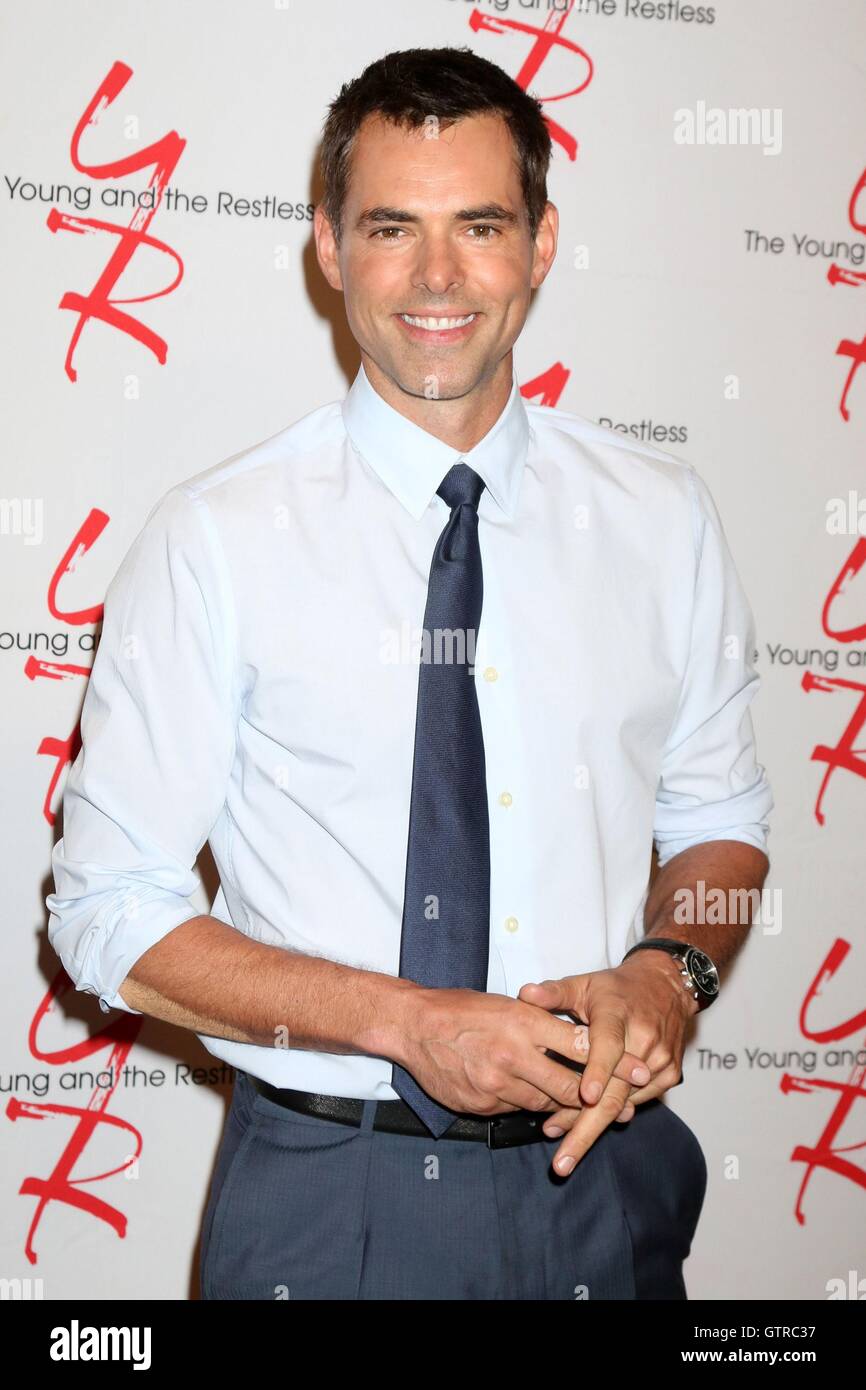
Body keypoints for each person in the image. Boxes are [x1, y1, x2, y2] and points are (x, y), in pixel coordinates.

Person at [46, 45, 772, 1301]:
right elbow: (109, 914)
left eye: (479, 225)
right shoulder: (216, 538)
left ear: (541, 243)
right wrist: (405, 1023)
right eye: (391, 227)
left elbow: (720, 830)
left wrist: (668, 973)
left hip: (598, 1178)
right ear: (328, 248)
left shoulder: (661, 518)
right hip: (328, 1194)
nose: (437, 278)